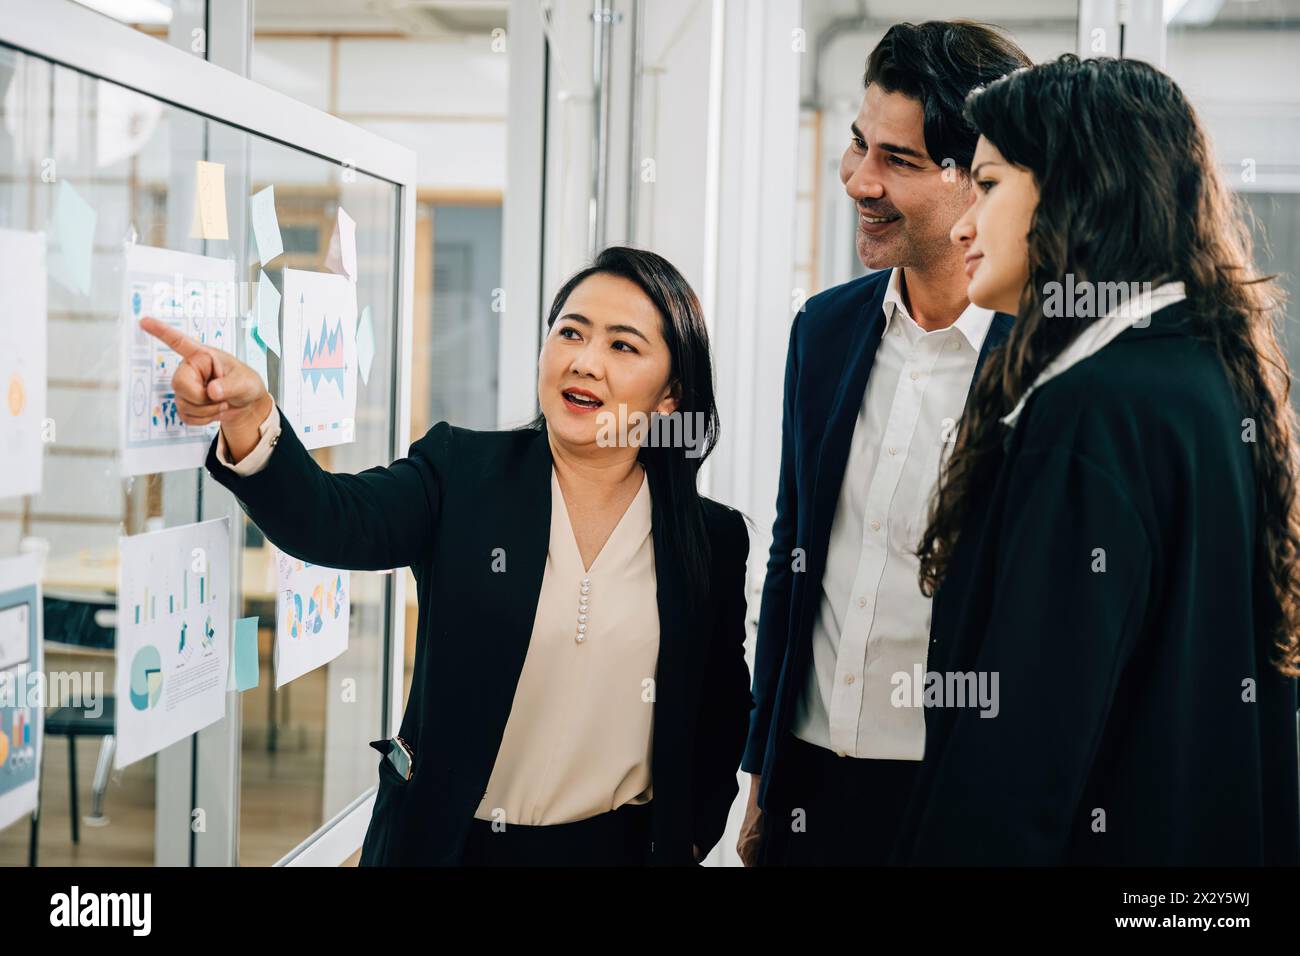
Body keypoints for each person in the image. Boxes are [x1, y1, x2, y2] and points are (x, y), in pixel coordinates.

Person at [141, 246, 752, 866]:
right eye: (570, 332)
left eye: (623, 346)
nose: (585, 362)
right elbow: (331, 521)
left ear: (670, 397)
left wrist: (692, 836)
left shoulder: (710, 540)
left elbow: (722, 710)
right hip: (450, 847)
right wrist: (251, 415)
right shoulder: (462, 474)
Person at [895, 54, 1300, 865]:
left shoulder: (1093, 411)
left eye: (990, 183)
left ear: (1082, 187)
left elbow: (1020, 760)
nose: (962, 223)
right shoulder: (1206, 377)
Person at [737, 20, 1032, 866]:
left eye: (898, 162)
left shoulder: (1048, 362)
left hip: (956, 791)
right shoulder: (823, 331)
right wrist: (763, 769)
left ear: (980, 180)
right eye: (859, 146)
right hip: (809, 781)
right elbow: (794, 551)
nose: (860, 181)